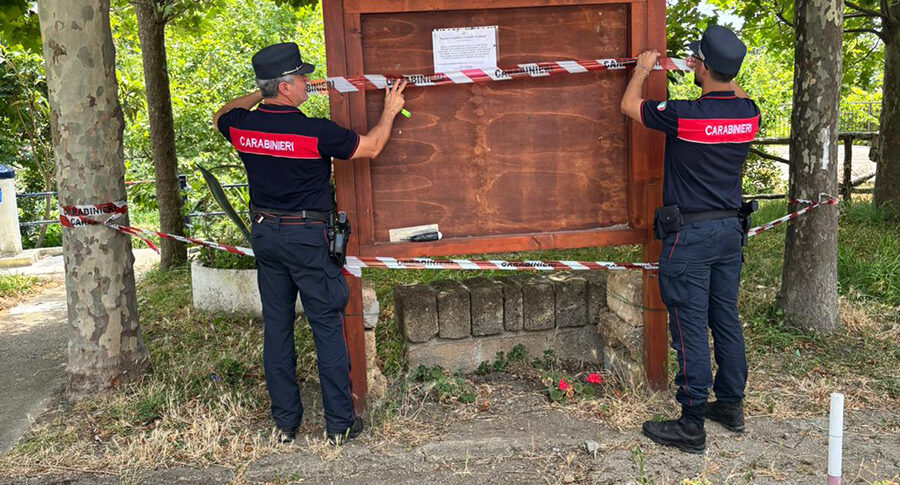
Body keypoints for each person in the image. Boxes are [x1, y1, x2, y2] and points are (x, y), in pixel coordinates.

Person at [213, 42, 407, 445]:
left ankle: (286, 422)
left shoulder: (243, 126)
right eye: (301, 78)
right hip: (306, 238)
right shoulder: (315, 131)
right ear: (285, 87)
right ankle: (339, 424)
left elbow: (221, 114)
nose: (308, 84)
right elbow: (371, 147)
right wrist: (389, 111)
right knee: (326, 327)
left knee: (277, 328)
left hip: (265, 235)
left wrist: (260, 91)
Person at [619, 25, 761, 454]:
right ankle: (730, 406)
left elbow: (629, 106)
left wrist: (642, 70)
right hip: (729, 233)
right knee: (725, 318)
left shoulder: (685, 115)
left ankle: (692, 423)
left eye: (696, 61)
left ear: (701, 66)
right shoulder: (749, 113)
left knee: (689, 327)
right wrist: (718, 70)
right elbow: (731, 92)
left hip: (691, 237)